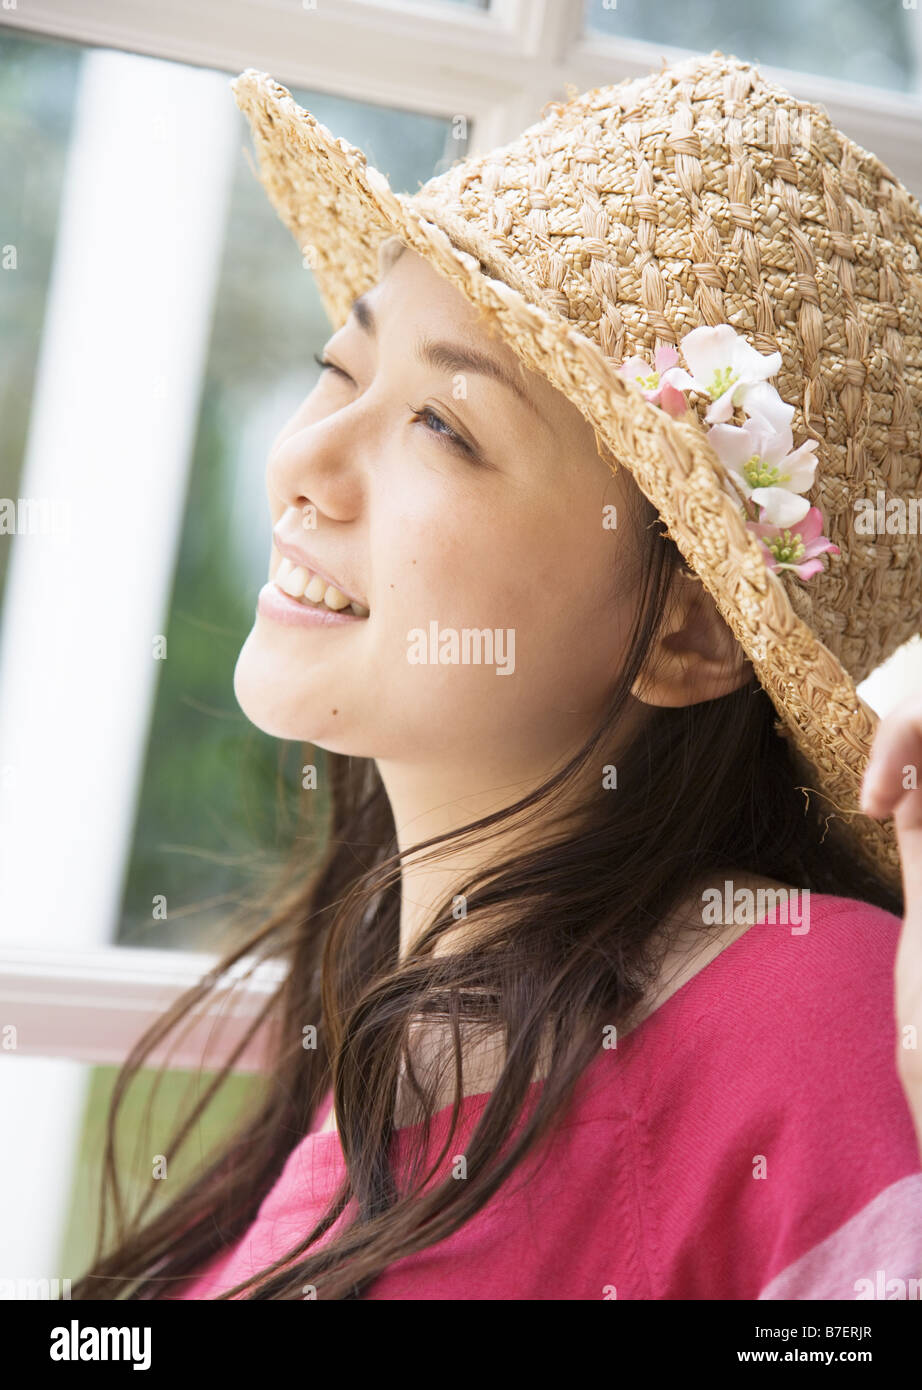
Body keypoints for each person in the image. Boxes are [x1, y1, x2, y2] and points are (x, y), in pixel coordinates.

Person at [71, 50, 922, 1301]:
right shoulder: (378, 1034)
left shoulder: (808, 1013)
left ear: (690, 633)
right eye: (341, 370)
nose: (305, 462)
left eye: (443, 427)